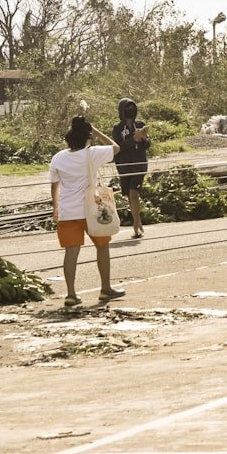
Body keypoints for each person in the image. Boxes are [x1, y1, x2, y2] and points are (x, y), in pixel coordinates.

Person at [50, 116, 125, 307]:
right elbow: (115, 147)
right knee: (102, 247)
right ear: (87, 137)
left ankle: (71, 294)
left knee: (71, 252)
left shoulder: (58, 158)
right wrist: (96, 130)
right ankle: (105, 289)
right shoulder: (92, 153)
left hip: (68, 210)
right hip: (92, 209)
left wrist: (55, 207)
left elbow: (54, 186)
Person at [112, 98, 150, 239]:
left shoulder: (140, 124)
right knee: (129, 194)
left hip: (139, 163)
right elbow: (118, 147)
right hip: (124, 165)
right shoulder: (117, 128)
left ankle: (136, 223)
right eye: (127, 108)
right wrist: (132, 139)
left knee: (134, 193)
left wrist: (143, 138)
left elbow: (147, 145)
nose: (130, 111)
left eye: (132, 108)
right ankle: (137, 220)